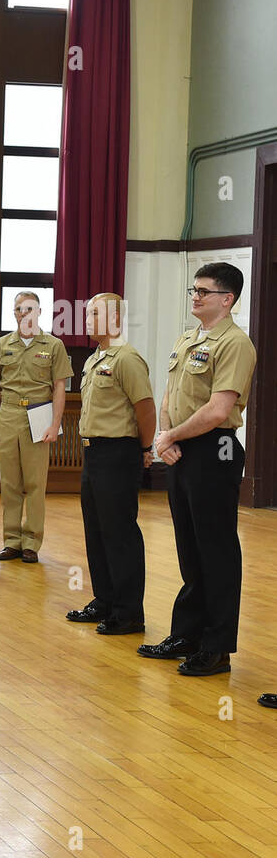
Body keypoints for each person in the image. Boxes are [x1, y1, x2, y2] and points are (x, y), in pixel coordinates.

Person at [140, 264, 257, 678]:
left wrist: (172, 438)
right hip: (183, 447)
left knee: (216, 550)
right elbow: (172, 393)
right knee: (189, 548)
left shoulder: (235, 344)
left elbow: (219, 409)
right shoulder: (188, 338)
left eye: (204, 291)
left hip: (215, 450)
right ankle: (187, 634)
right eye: (194, 289)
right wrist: (164, 435)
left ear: (227, 300)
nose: (196, 296)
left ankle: (217, 647)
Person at [65, 294, 155, 636]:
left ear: (116, 317)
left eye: (95, 313)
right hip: (94, 453)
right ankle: (104, 600)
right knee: (97, 531)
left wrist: (145, 447)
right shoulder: (95, 358)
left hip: (119, 452)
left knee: (119, 533)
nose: (87, 319)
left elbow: (145, 408)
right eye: (87, 313)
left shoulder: (127, 359)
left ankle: (128, 612)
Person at [0, 290, 72, 563]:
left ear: (40, 312)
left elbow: (59, 387)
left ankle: (32, 542)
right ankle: (12, 540)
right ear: (14, 313)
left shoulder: (53, 345)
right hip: (8, 414)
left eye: (31, 309)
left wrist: (55, 424)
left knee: (35, 484)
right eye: (20, 309)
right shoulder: (0, 345)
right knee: (9, 483)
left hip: (39, 415)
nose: (25, 314)